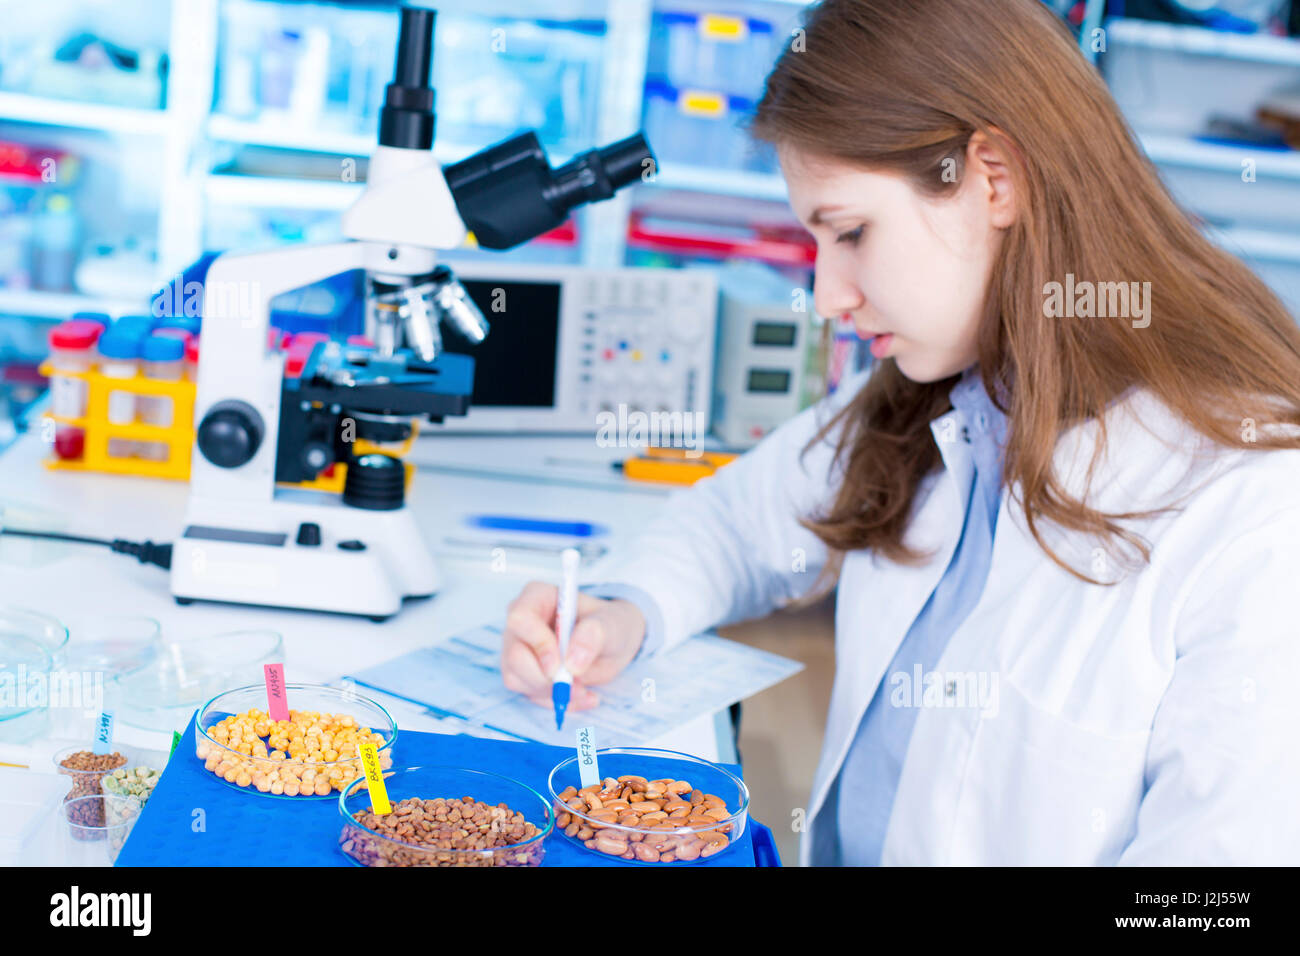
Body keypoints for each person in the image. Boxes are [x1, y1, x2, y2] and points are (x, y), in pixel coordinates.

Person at [500, 0, 1300, 865]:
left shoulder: (1252, 506)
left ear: (992, 177)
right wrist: (623, 616)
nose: (830, 293)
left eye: (850, 233)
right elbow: (739, 523)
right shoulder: (955, 390)